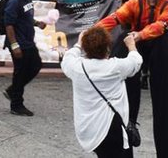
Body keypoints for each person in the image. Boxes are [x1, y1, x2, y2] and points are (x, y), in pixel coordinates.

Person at [94, 0, 168, 157]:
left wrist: (138, 36)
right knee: (121, 43)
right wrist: (91, 34)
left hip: (163, 52)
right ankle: (128, 122)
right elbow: (114, 19)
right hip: (134, 47)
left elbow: (161, 26)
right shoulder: (135, 3)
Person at [61, 27, 143, 157]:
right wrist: (131, 45)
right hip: (111, 126)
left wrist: (78, 44)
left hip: (89, 128)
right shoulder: (115, 67)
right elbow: (136, 61)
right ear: (107, 48)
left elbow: (68, 57)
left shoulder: (77, 67)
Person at [3, 0, 47, 116]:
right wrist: (14, 45)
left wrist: (37, 23)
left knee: (35, 65)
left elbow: (26, 16)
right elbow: (9, 25)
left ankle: (13, 90)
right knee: (20, 72)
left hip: (28, 41)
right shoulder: (14, 2)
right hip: (19, 43)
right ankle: (16, 104)